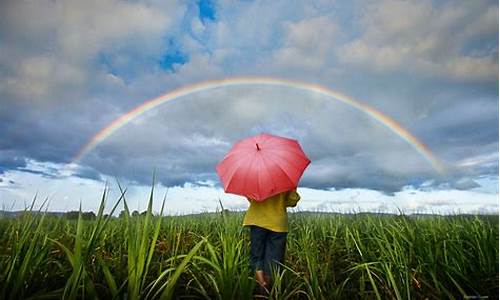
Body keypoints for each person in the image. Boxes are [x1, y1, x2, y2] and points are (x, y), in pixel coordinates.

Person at [243, 189, 301, 292]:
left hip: (257, 219)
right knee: (274, 259)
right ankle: (269, 290)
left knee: (256, 255)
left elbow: (250, 197)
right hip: (277, 223)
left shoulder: (256, 175)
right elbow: (292, 201)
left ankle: (261, 285)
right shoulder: (286, 179)